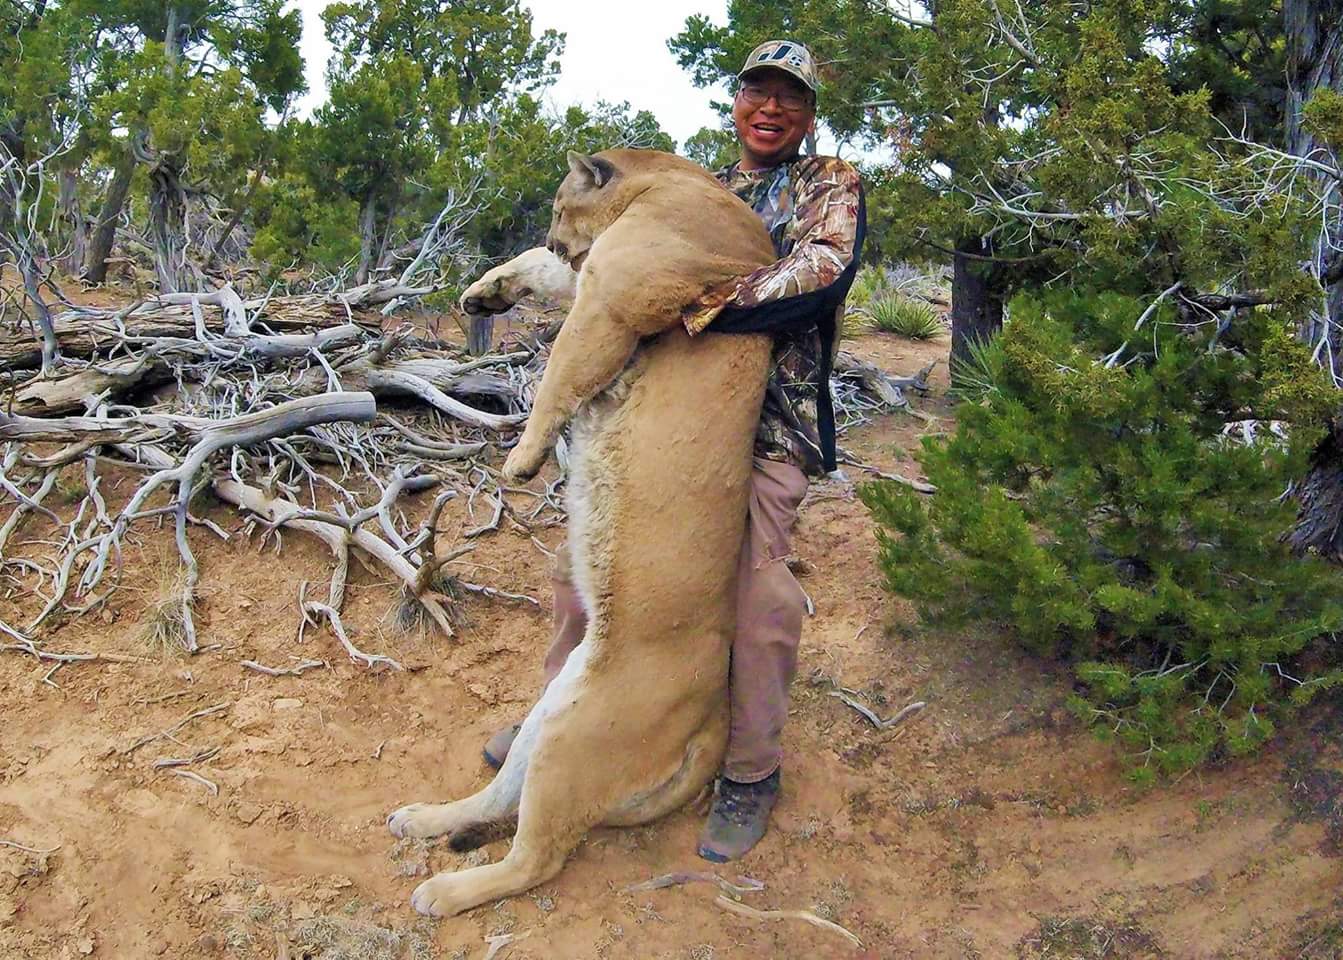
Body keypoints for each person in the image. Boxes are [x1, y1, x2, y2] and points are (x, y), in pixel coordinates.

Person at [479, 39, 864, 862]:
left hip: (767, 428)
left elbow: (824, 270)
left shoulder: (826, 183)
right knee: (588, 585)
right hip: (660, 420)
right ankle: (558, 729)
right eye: (756, 92)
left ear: (806, 113)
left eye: (788, 98)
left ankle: (749, 772)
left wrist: (691, 303)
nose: (770, 109)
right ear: (735, 102)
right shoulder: (698, 190)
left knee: (759, 604)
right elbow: (607, 283)